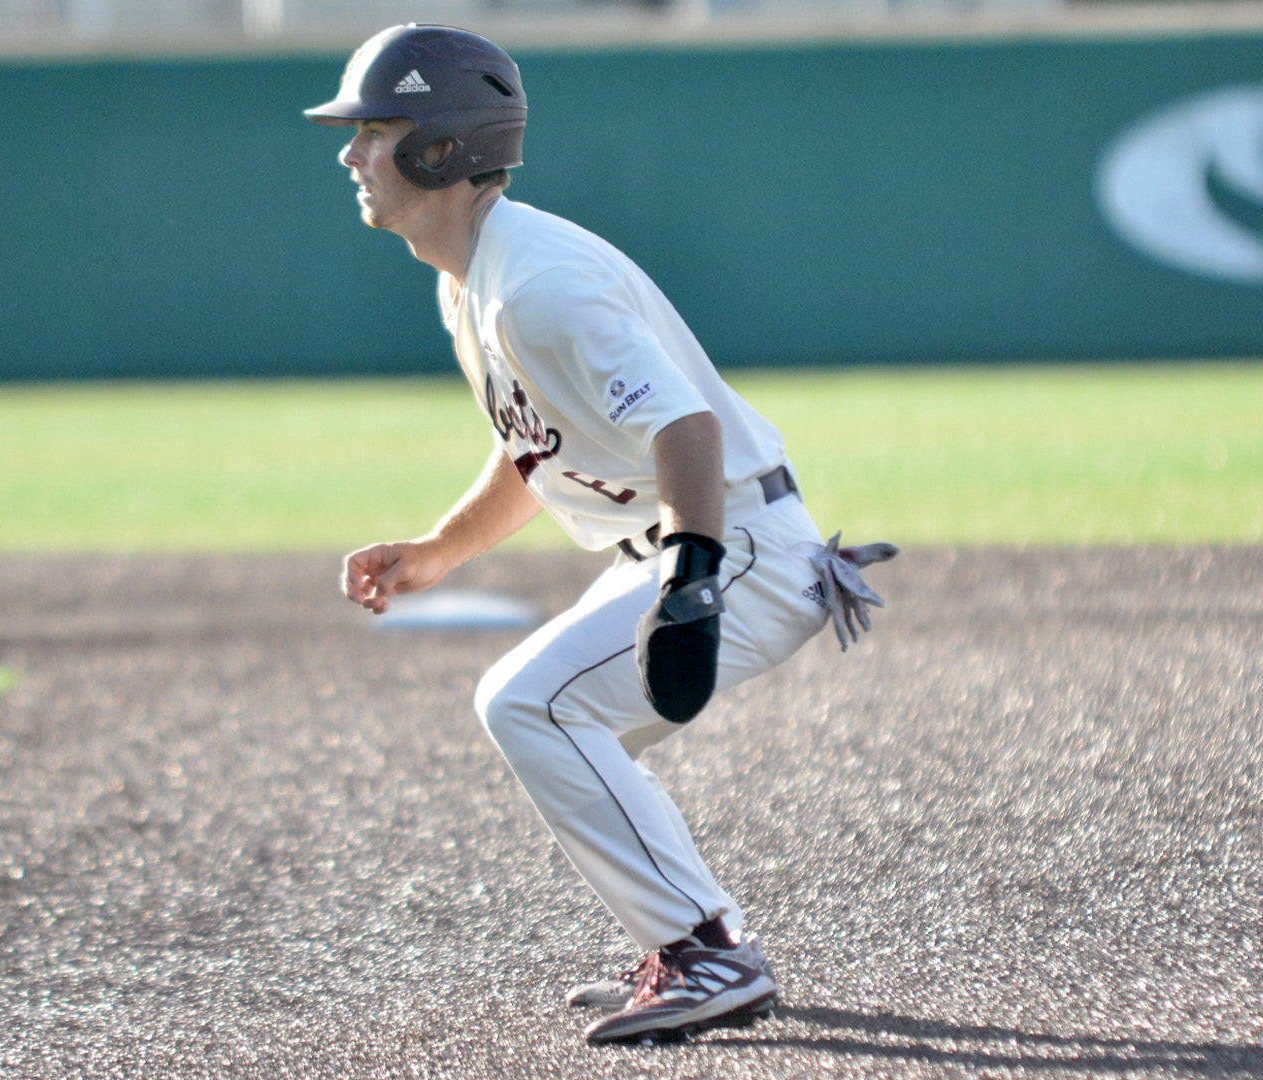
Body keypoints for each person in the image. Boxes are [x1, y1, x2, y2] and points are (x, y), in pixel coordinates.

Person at [311, 25, 895, 1045]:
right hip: (700, 541)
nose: (350, 153)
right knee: (573, 735)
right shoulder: (472, 277)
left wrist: (692, 580)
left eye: (372, 130)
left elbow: (683, 426)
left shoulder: (538, 286)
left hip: (732, 545)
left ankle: (708, 953)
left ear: (438, 150)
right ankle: (690, 940)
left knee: (527, 704)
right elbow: (539, 446)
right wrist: (441, 549)